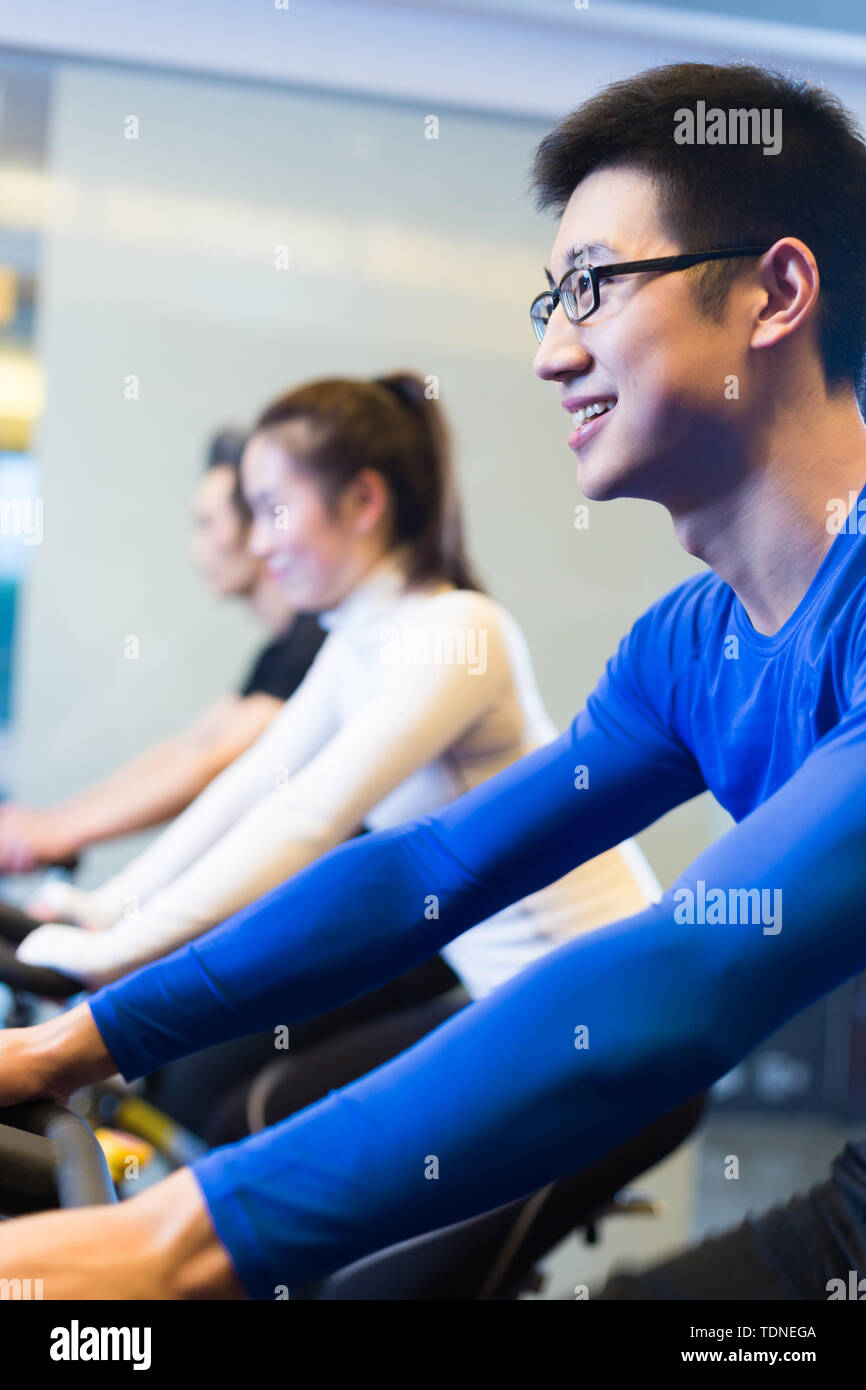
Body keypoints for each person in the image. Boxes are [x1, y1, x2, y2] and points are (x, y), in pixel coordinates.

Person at [2, 58, 865, 1302]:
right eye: (546, 302)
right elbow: (427, 870)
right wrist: (75, 1041)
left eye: (592, 287)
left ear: (774, 295)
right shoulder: (689, 649)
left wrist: (170, 1241)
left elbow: (691, 970)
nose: (550, 354)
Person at [13, 374, 654, 996]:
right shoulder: (356, 640)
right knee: (240, 1095)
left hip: (609, 1005)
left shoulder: (458, 628)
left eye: (273, 510)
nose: (259, 543)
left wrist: (115, 953)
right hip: (520, 1002)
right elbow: (254, 785)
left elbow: (310, 817)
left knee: (258, 1103)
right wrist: (109, 906)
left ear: (363, 503)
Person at [0, 430, 325, 874]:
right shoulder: (279, 652)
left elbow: (213, 762)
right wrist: (53, 823)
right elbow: (189, 746)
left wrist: (61, 832)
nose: (197, 549)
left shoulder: (314, 640)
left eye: (208, 524)